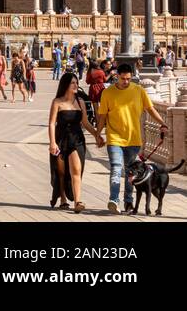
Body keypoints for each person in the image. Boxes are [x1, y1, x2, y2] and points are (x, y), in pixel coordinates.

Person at [96, 63, 168, 214]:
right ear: (117, 76)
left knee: (131, 173)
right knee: (116, 168)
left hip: (134, 139)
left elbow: (150, 109)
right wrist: (98, 134)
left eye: (129, 79)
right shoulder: (107, 93)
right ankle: (114, 200)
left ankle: (128, 203)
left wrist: (162, 124)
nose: (126, 82)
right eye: (123, 79)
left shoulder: (139, 91)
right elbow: (102, 116)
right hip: (114, 138)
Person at [48, 72, 105, 211]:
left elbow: (85, 122)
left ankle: (78, 202)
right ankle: (63, 198)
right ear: (66, 85)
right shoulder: (57, 102)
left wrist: (97, 135)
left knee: (76, 170)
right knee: (61, 173)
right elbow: (51, 124)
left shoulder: (80, 102)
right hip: (61, 139)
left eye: (76, 83)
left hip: (77, 139)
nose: (76, 85)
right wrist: (52, 143)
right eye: (73, 83)